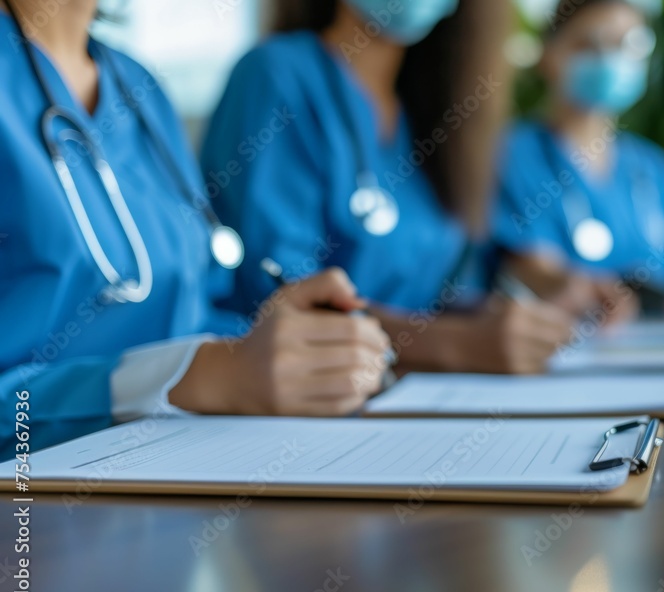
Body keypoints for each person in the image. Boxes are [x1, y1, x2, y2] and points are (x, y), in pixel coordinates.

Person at [0, 0, 390, 452]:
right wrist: (201, 376)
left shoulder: (137, 86)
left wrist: (280, 343)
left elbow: (190, 314)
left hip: (172, 474)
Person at [202, 0, 575, 375]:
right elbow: (282, 300)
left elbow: (442, 288)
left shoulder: (433, 117)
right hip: (309, 406)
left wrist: (496, 319)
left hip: (421, 396)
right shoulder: (276, 76)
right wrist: (452, 343)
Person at [493, 0, 664, 321]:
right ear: (548, 55)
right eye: (591, 44)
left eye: (628, 44)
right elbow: (530, 268)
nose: (610, 59)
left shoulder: (651, 165)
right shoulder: (512, 153)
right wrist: (575, 288)